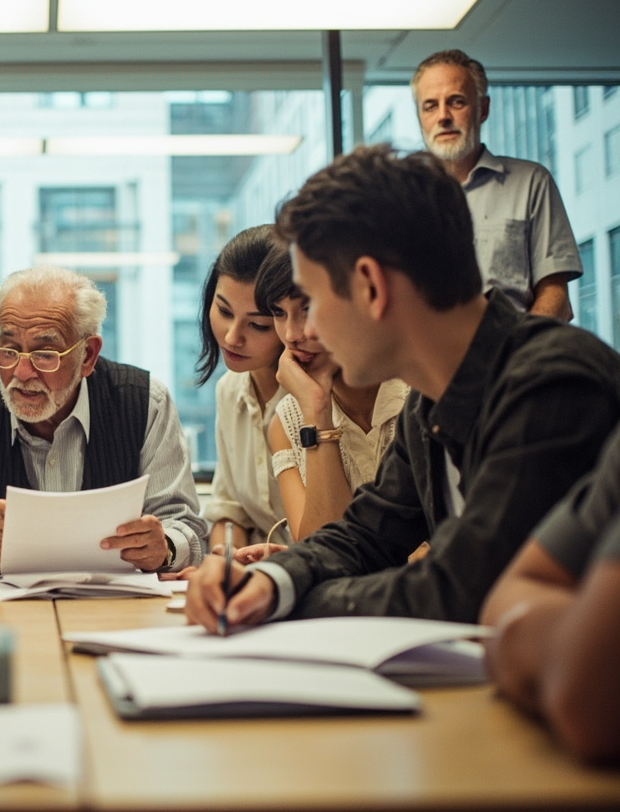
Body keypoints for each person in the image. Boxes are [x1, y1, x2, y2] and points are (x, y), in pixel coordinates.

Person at [184, 144, 620, 631]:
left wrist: (286, 600)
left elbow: (462, 590)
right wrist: (271, 580)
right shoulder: (431, 399)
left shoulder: (552, 384)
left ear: (371, 286)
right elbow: (365, 535)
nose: (300, 333)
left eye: (314, 301)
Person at [0, 265, 206, 574]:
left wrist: (163, 546)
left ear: (87, 355)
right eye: (9, 350)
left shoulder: (145, 402)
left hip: (115, 606)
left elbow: (185, 528)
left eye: (45, 354)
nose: (21, 373)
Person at [481, 426, 620, 763]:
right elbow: (506, 596)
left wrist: (521, 639)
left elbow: (587, 698)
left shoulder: (554, 386)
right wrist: (575, 632)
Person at [412, 49, 581, 321]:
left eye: (456, 102)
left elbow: (555, 295)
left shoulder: (531, 183)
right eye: (430, 105)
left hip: (511, 356)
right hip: (422, 360)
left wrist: (520, 356)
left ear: (483, 109)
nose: (443, 116)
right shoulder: (396, 197)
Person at [255, 249, 409, 541]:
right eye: (279, 313)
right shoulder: (287, 421)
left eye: (308, 308)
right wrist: (316, 410)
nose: (291, 334)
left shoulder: (417, 389)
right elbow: (324, 547)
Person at [196, 226, 289, 553]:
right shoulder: (230, 390)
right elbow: (228, 509)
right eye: (223, 311)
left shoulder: (323, 397)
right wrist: (227, 563)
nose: (232, 337)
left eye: (258, 325)